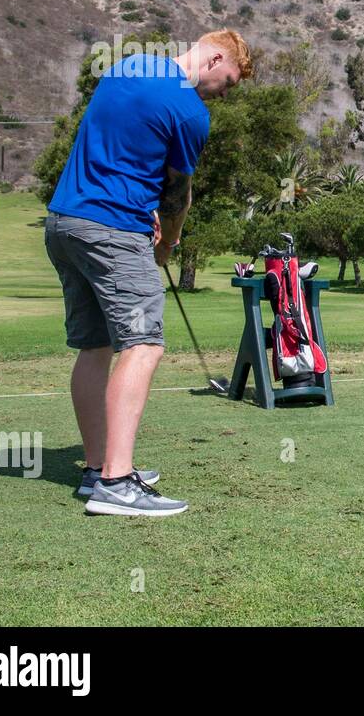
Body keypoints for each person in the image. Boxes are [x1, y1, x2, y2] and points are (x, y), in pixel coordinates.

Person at [44, 30, 252, 516]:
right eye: (229, 81)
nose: (225, 92)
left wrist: (143, 203)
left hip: (63, 223)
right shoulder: (190, 113)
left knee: (94, 346)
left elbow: (122, 151)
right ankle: (117, 483)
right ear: (216, 55)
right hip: (112, 230)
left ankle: (98, 470)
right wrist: (169, 243)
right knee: (143, 345)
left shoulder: (127, 67)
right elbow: (176, 195)